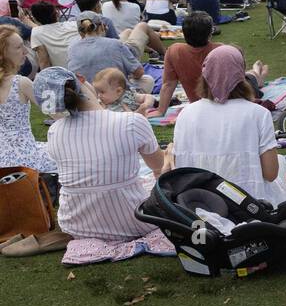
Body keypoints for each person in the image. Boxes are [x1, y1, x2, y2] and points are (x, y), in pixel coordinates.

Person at [35, 66, 165, 240]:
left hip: (75, 225)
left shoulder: (55, 131)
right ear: (80, 81)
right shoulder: (131, 121)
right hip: (135, 220)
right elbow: (159, 168)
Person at [172, 45, 286, 206]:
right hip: (249, 206)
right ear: (241, 76)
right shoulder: (258, 114)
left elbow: (180, 167)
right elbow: (270, 173)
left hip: (197, 202)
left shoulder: (186, 114)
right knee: (281, 162)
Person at [0, 27, 56, 172]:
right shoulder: (21, 83)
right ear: (2, 54)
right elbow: (55, 111)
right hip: (23, 158)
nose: (26, 51)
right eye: (19, 47)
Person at [152, 11, 221, 112]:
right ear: (210, 33)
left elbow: (168, 84)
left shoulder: (174, 51)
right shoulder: (221, 51)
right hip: (224, 105)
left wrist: (161, 110)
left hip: (197, 108)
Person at [66, 13, 148, 88]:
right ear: (102, 26)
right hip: (114, 95)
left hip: (87, 97)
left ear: (80, 32)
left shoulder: (71, 48)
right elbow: (139, 72)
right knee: (147, 80)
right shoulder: (115, 44)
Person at [28, 0, 80, 70]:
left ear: (35, 19)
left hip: (64, 75)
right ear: (57, 13)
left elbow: (44, 62)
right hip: (84, 69)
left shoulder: (37, 33)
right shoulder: (74, 25)